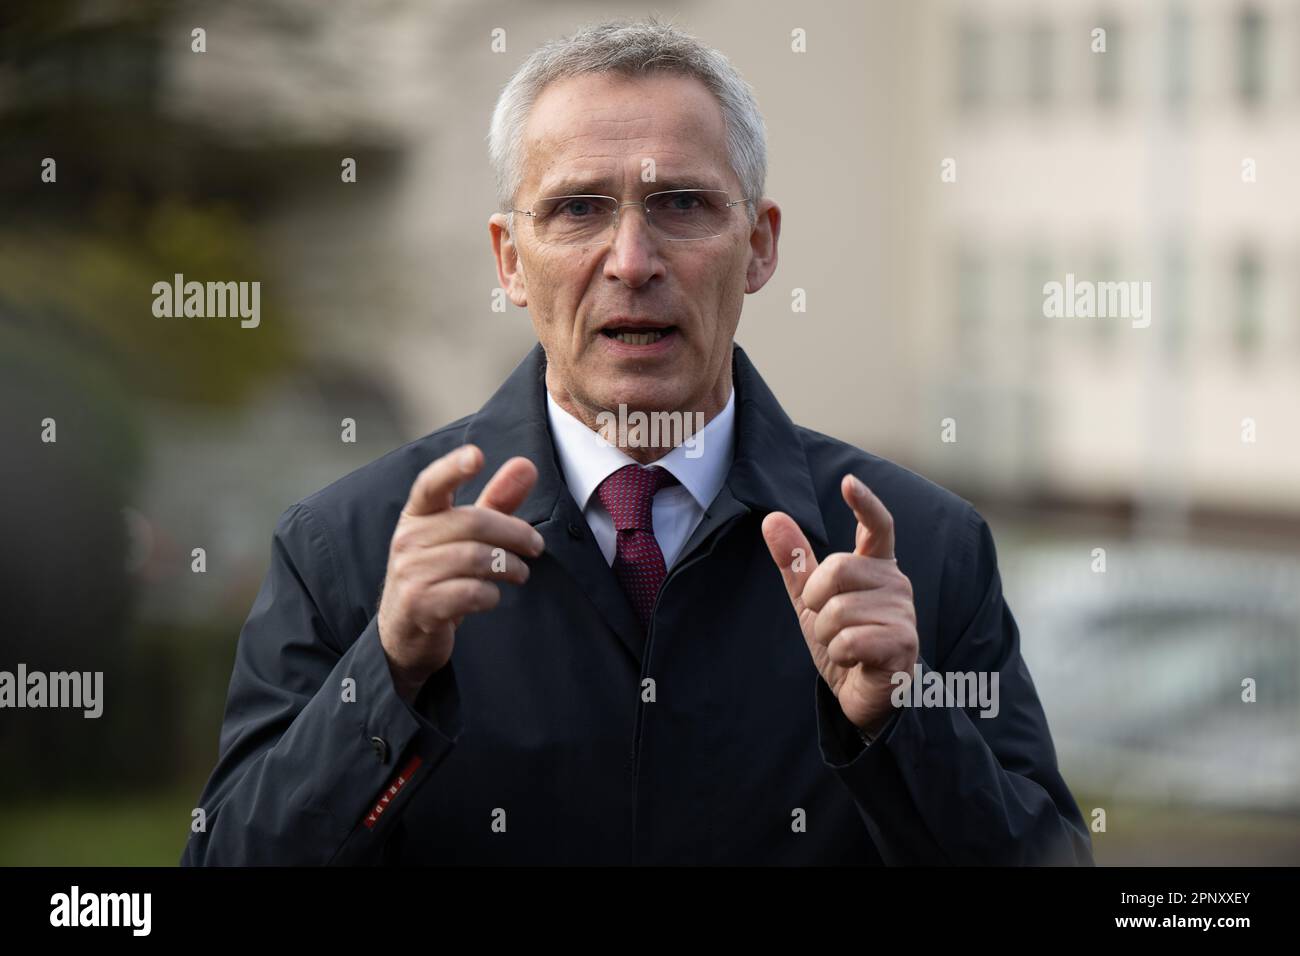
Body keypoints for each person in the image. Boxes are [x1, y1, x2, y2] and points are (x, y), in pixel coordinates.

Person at [181, 17, 1093, 866]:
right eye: (578, 209)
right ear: (508, 258)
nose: (630, 260)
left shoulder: (922, 552)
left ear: (761, 246)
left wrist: (902, 724)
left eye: (682, 204)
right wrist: (385, 676)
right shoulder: (348, 547)